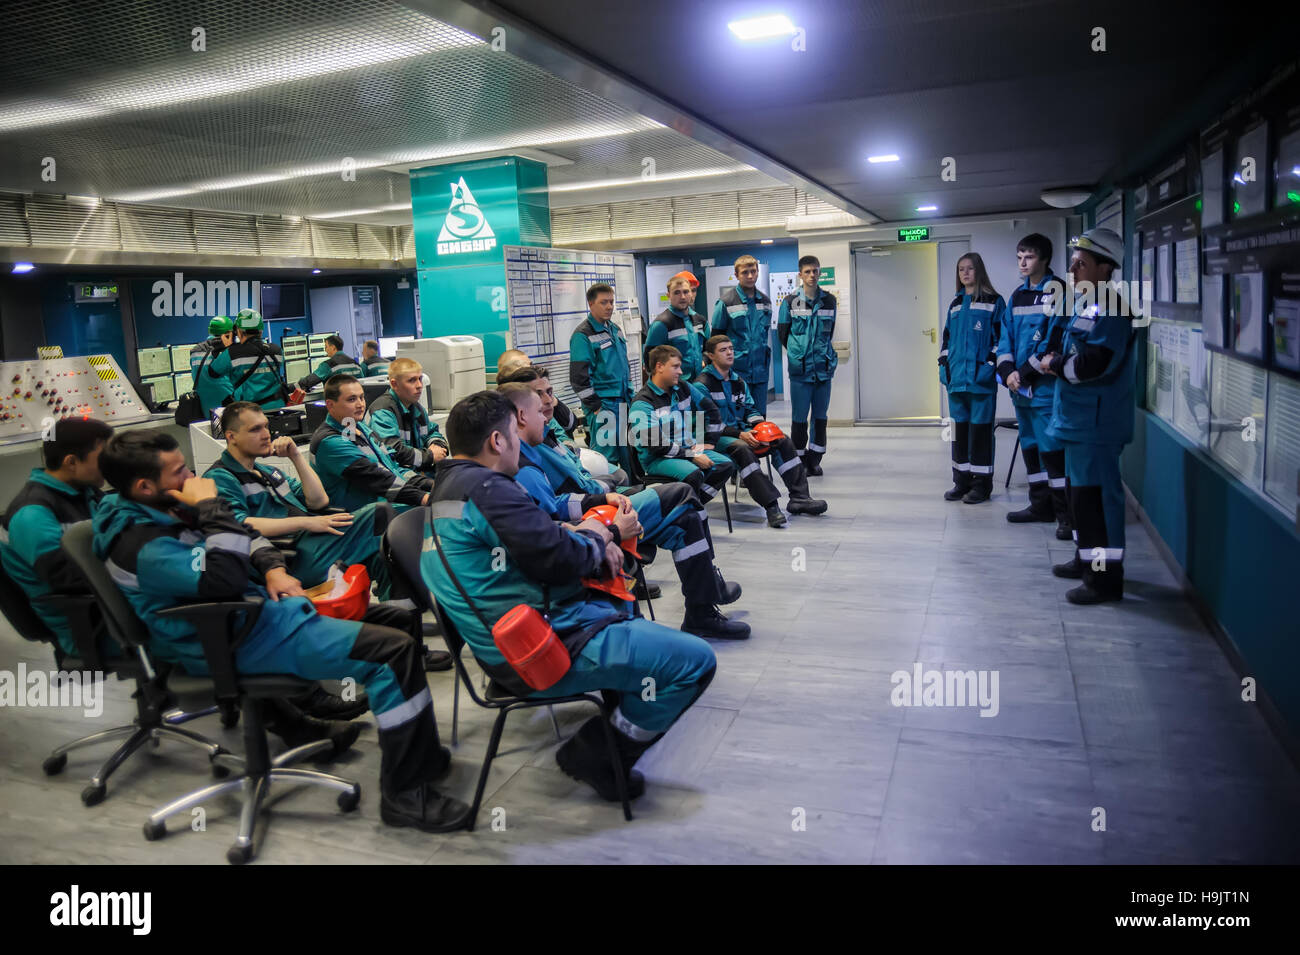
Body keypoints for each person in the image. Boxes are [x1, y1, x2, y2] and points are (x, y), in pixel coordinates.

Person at [91, 429, 469, 830]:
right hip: (224, 637)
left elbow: (246, 537)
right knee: (391, 655)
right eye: (179, 471)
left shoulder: (163, 505)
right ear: (145, 486)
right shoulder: (142, 543)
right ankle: (405, 795)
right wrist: (212, 508)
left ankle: (419, 754)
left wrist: (272, 568)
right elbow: (224, 576)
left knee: (395, 623)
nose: (190, 476)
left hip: (253, 614)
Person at [421, 391, 718, 802]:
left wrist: (585, 538)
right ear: (497, 441)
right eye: (513, 433)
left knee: (620, 592)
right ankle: (598, 752)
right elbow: (557, 560)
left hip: (504, 644)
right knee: (695, 662)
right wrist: (604, 537)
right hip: (543, 649)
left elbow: (535, 543)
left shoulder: (449, 489)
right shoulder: (490, 489)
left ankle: (622, 694)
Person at [499, 380, 748, 640]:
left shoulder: (542, 439)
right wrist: (611, 526)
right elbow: (553, 523)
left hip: (595, 505)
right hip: (590, 526)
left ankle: (702, 604)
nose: (549, 403)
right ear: (520, 416)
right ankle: (704, 599)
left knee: (682, 518)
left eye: (550, 393)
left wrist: (602, 495)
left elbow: (562, 495)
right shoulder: (523, 464)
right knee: (681, 495)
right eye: (539, 404)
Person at [1038, 228, 1136, 604]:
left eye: (1082, 262)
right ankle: (1085, 561)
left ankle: (1104, 582)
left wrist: (1055, 364)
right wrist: (1056, 362)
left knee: (1098, 505)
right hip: (1079, 423)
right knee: (1082, 502)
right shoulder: (1088, 304)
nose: (1074, 268)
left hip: (1097, 425)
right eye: (1074, 261)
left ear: (1106, 267)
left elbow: (1093, 364)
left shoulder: (1112, 308)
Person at [1, 417, 113, 658]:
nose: (111, 465)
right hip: (91, 627)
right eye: (103, 458)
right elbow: (67, 578)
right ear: (71, 462)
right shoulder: (32, 514)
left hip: (111, 610)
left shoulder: (86, 493)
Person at [696, 334, 826, 526]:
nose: (730, 353)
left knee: (782, 440)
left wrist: (760, 428)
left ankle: (800, 498)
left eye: (731, 348)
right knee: (743, 449)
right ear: (710, 356)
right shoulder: (701, 385)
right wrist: (740, 434)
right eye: (723, 350)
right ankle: (771, 506)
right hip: (716, 438)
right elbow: (705, 424)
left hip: (744, 432)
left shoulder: (737, 380)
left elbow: (750, 409)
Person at [999, 234, 1071, 536]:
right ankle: (1040, 505)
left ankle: (1067, 515)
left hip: (1045, 390)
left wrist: (1023, 374)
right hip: (1021, 392)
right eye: (1019, 257)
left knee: (1052, 450)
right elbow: (1005, 338)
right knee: (1030, 448)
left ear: (1044, 259)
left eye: (1028, 257)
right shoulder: (1017, 296)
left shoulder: (1059, 293)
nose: (1023, 263)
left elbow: (1055, 341)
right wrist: (1007, 372)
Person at [309, 375, 432, 513]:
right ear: (331, 405)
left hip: (381, 505)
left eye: (361, 397)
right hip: (357, 517)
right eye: (351, 399)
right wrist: (423, 497)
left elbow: (392, 468)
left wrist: (430, 485)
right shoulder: (330, 442)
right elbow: (378, 479)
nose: (360, 404)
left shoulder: (360, 428)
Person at [630, 345, 735, 506]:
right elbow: (656, 446)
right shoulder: (643, 403)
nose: (680, 371)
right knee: (694, 474)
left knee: (726, 465)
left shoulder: (683, 387)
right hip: (659, 458)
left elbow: (712, 410)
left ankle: (692, 504)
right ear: (659, 367)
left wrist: (710, 442)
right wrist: (691, 455)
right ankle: (690, 509)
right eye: (675, 366)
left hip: (687, 449)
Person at [938, 253, 1006, 504]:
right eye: (960, 270)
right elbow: (947, 340)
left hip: (981, 381)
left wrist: (989, 367)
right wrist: (943, 365)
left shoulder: (994, 302)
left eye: (970, 269)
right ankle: (961, 481)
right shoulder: (955, 304)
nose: (965, 274)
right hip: (956, 380)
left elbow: (1001, 340)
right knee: (959, 432)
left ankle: (981, 485)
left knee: (980, 433)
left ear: (979, 271)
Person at [778, 255, 838, 475]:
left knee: (820, 418)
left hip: (823, 369)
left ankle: (815, 459)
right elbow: (783, 335)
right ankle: (799, 460)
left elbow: (829, 332)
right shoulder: (791, 301)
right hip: (800, 371)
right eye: (808, 272)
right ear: (800, 274)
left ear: (819, 272)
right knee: (799, 418)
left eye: (815, 271)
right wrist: (798, 353)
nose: (812, 275)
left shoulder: (829, 301)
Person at [569, 283, 632, 471]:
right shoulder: (583, 335)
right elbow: (578, 378)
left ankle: (632, 497)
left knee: (628, 456)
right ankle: (608, 498)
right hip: (603, 405)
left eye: (611, 302)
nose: (609, 306)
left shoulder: (615, 329)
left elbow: (623, 366)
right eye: (603, 302)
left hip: (623, 402)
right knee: (606, 460)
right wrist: (596, 407)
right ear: (590, 304)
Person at [708, 254, 773, 417]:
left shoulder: (765, 301)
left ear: (758, 272)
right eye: (745, 272)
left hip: (760, 372)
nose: (750, 276)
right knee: (739, 417)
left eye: (753, 271)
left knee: (759, 417)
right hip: (736, 372)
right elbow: (715, 339)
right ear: (736, 275)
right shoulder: (726, 302)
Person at [365, 357, 449, 475]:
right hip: (395, 477)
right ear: (394, 384)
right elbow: (393, 452)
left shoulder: (416, 408)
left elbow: (432, 432)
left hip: (416, 474)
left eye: (420, 379)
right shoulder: (383, 412)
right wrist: (429, 456)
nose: (419, 385)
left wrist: (437, 445)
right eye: (412, 380)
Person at [207, 308, 289, 410]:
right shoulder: (276, 350)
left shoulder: (232, 353)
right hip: (277, 407)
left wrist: (225, 347)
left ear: (238, 331)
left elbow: (213, 372)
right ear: (261, 331)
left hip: (249, 412)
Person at [498, 348, 579, 437]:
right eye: (528, 367)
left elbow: (571, 424)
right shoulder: (509, 408)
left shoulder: (545, 396)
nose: (532, 370)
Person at [644, 272, 706, 381]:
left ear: (691, 294)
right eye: (677, 292)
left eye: (686, 292)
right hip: (674, 386)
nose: (682, 297)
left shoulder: (700, 320)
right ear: (668, 295)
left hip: (698, 383)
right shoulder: (661, 324)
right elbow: (650, 361)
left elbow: (709, 349)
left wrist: (704, 360)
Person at [189, 316, 235, 419]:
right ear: (228, 333)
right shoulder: (228, 352)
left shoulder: (195, 351)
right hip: (227, 407)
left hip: (205, 409)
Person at [296, 334, 363, 392]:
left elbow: (309, 381)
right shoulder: (356, 364)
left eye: (326, 347)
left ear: (333, 347)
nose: (325, 350)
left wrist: (289, 388)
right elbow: (363, 383)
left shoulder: (328, 365)